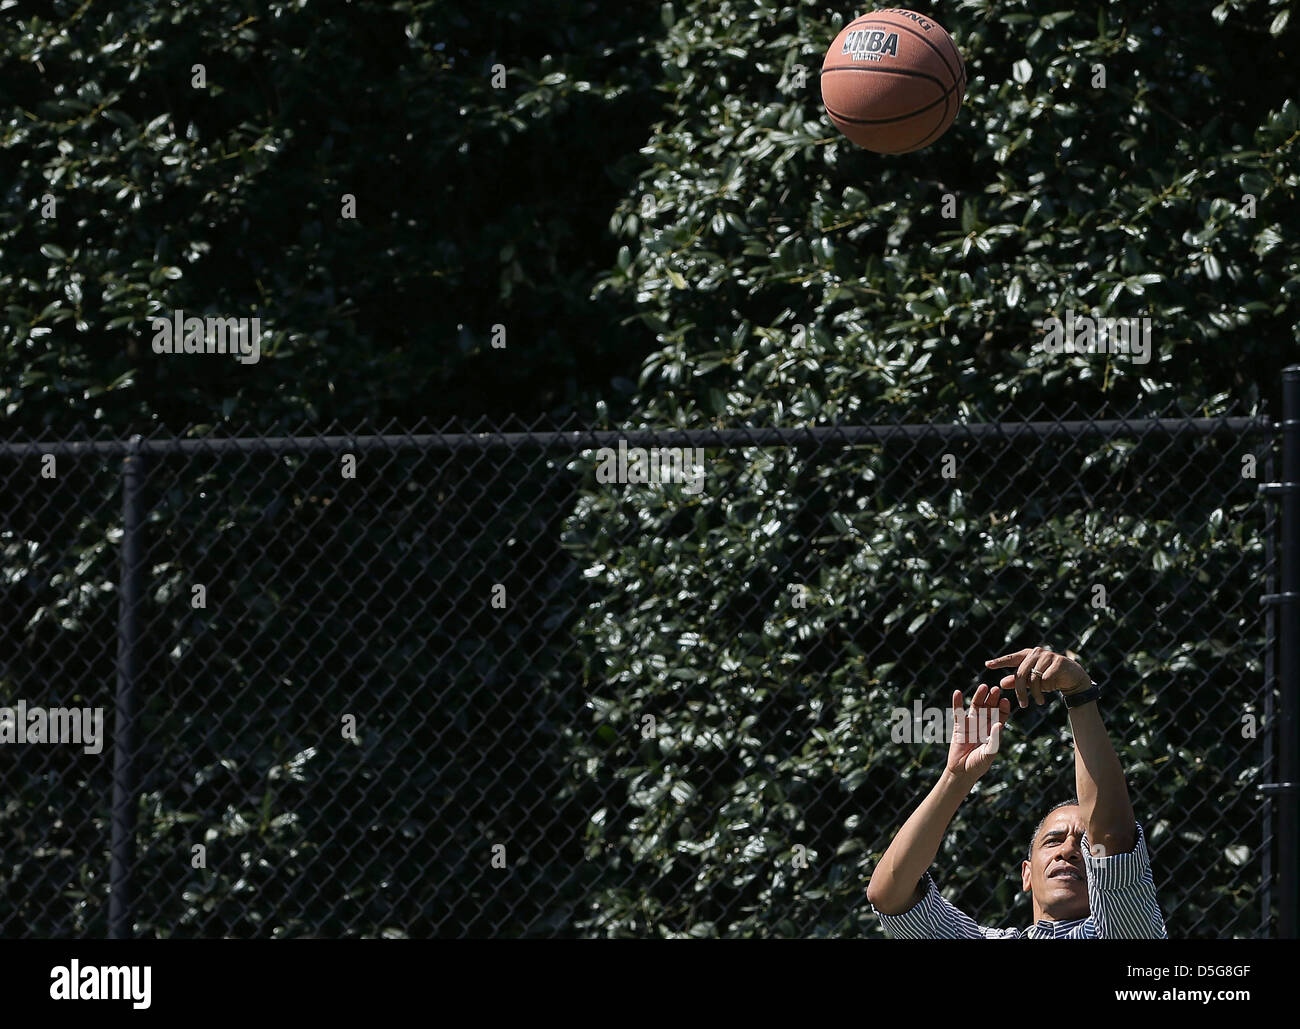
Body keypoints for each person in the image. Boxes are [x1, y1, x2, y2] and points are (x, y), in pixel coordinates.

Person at [866, 646, 1167, 938]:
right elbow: (889, 895)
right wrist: (955, 778)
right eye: (1053, 840)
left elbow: (1112, 836)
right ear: (1026, 874)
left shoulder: (1125, 929)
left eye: (1086, 845)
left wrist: (1080, 695)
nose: (1068, 851)